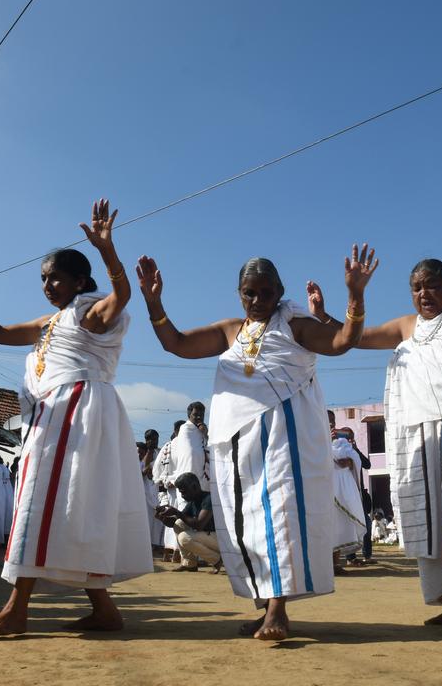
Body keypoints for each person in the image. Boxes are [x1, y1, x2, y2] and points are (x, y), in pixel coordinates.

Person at [137, 243, 378, 641]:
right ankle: (267, 605)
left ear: (279, 292)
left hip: (286, 439)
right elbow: (176, 344)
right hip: (238, 446)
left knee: (279, 517)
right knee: (248, 524)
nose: (258, 300)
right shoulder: (232, 330)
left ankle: (279, 612)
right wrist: (154, 301)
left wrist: (355, 294)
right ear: (239, 293)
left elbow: (341, 342)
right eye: (250, 292)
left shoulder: (294, 325)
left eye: (266, 292)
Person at [0, 199, 151, 635]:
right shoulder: (51, 321)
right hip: (53, 415)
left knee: (39, 504)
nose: (47, 284)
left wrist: (107, 250)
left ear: (80, 280)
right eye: (43, 278)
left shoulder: (90, 311)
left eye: (55, 276)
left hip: (75, 409)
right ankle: (103, 610)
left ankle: (17, 608)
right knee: (64, 508)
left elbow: (123, 296)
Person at [323, 233, 442, 632]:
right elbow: (352, 338)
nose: (424, 293)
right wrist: (350, 296)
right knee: (436, 521)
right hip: (418, 435)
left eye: (433, 284)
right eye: (417, 287)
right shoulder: (406, 326)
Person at [169, 403, 209, 570]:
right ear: (189, 414)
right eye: (195, 413)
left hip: (201, 484)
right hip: (187, 484)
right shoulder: (186, 430)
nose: (198, 416)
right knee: (182, 522)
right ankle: (188, 560)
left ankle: (199, 557)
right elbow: (190, 456)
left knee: (201, 523)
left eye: (201, 413)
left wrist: (205, 434)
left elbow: (205, 452)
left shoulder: (202, 432)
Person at [157, 472, 220, 572]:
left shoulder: (208, 499)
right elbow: (177, 522)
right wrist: (163, 518)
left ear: (194, 487)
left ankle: (217, 560)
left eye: (184, 492)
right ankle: (189, 563)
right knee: (179, 524)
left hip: (222, 540)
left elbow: (199, 525)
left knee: (184, 538)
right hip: (209, 537)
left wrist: (177, 512)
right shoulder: (193, 502)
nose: (182, 496)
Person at [331, 427, 367, 574]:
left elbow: (359, 462)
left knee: (341, 525)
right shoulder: (317, 439)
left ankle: (335, 564)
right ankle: (326, 565)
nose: (332, 426)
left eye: (333, 422)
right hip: (327, 486)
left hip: (345, 488)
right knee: (328, 525)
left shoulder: (345, 445)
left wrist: (351, 462)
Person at [153, 421, 185, 563]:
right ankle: (176, 552)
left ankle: (169, 552)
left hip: (171, 487)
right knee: (178, 519)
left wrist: (163, 481)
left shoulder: (167, 446)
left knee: (172, 519)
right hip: (180, 488)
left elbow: (157, 470)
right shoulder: (181, 445)